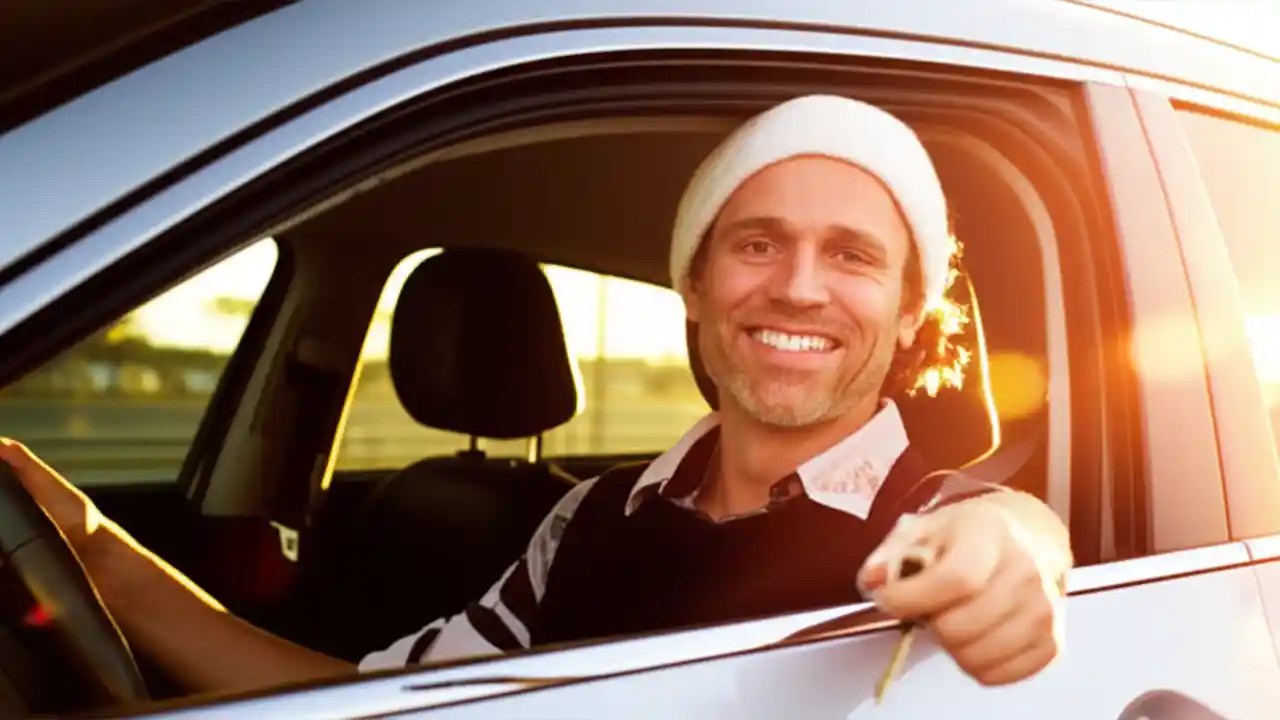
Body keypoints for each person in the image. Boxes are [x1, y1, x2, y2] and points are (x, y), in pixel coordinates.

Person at [0, 94, 1072, 696]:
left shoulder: (930, 526)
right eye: (757, 243)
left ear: (905, 316)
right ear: (695, 289)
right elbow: (361, 704)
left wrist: (1017, 554)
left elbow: (1007, 541)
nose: (796, 284)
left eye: (851, 257)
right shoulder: (584, 522)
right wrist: (95, 551)